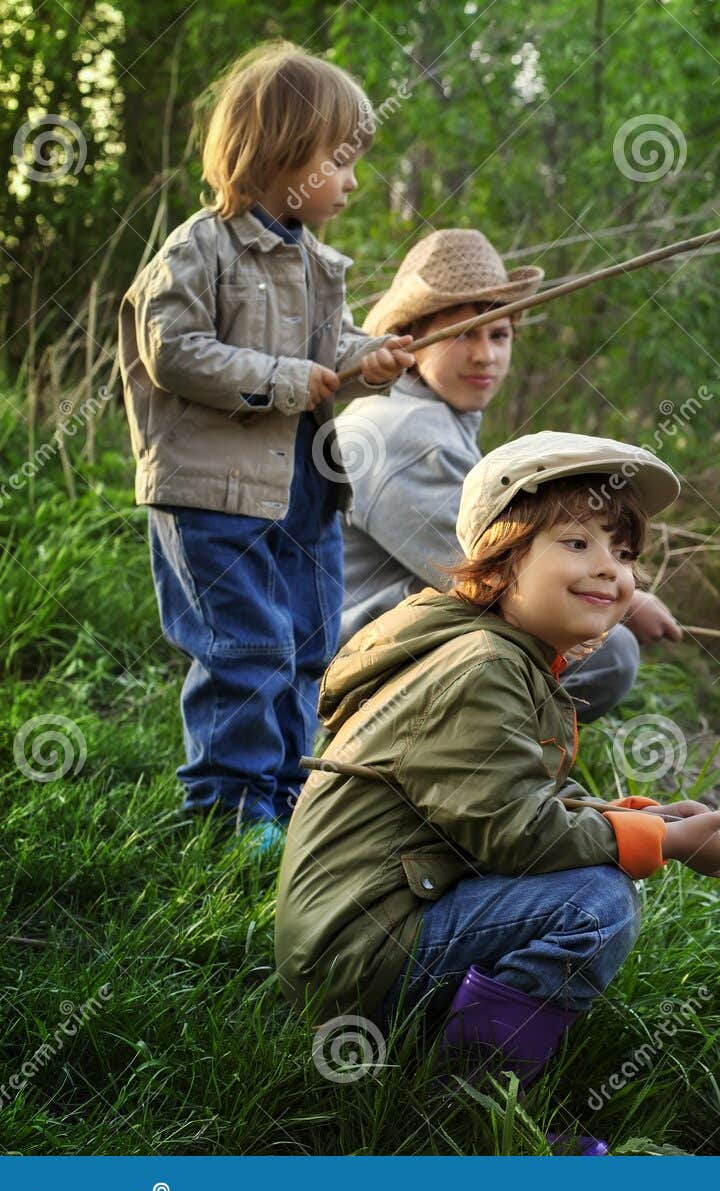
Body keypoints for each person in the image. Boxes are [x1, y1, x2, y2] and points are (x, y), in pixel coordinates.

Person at [275, 432, 720, 1152]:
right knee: (596, 903)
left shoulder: (500, 654)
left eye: (624, 555)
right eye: (577, 543)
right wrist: (659, 844)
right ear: (501, 562)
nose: (611, 571)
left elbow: (498, 804)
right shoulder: (483, 667)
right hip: (355, 948)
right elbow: (515, 835)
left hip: (367, 925)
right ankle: (467, 1113)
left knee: (592, 880)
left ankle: (444, 1055)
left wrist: (642, 817)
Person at [117, 40, 414, 851]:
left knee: (310, 645)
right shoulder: (198, 250)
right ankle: (227, 808)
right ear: (285, 156)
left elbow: (332, 346)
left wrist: (368, 357)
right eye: (341, 159)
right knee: (246, 646)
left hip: (304, 491)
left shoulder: (319, 263)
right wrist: (288, 377)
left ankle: (286, 793)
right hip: (213, 495)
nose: (354, 180)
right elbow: (171, 352)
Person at [337, 228, 681, 722]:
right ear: (414, 340)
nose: (486, 356)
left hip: (377, 637)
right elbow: (493, 571)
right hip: (351, 660)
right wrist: (625, 603)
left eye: (499, 334)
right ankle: (472, 757)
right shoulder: (409, 434)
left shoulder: (421, 413)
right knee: (610, 654)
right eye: (463, 335)